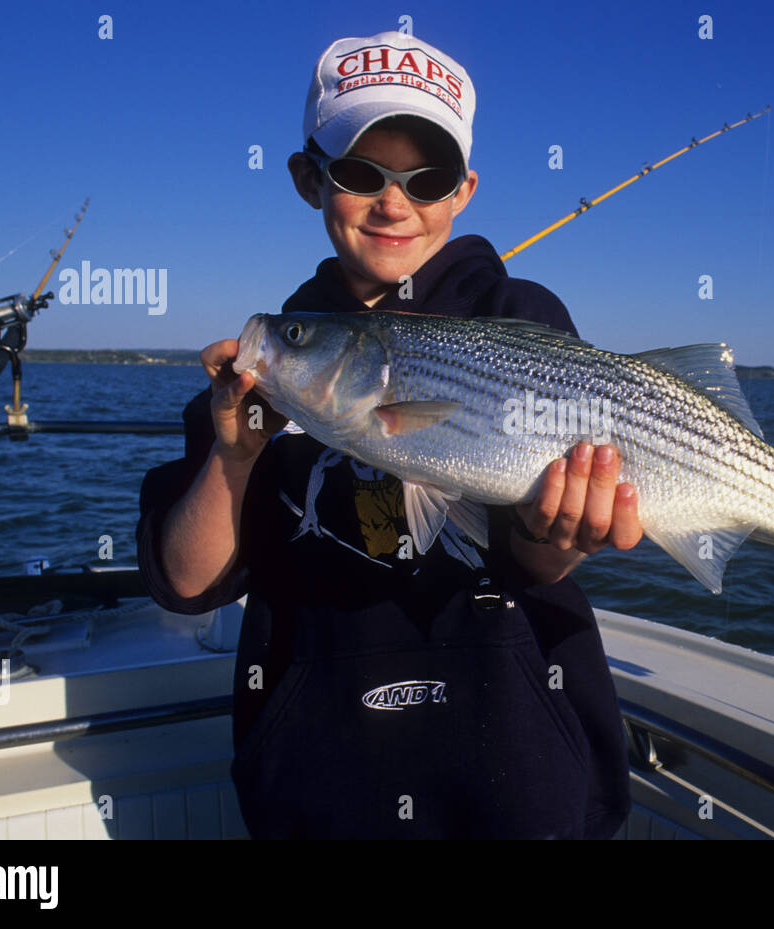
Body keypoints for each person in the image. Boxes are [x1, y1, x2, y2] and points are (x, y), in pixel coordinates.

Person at [136, 31, 639, 839]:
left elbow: (535, 561)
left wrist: (564, 536)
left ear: (463, 190)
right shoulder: (267, 368)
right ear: (310, 179)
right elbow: (188, 585)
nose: (394, 202)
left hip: (519, 783)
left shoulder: (522, 320)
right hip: (321, 783)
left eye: (427, 177)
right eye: (362, 173)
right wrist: (233, 457)